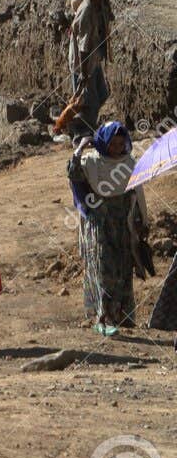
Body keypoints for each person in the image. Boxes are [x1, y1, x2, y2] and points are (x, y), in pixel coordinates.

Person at [69, 122, 147, 336]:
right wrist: (80, 148)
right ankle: (103, 319)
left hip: (123, 227)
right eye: (112, 144)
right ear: (103, 142)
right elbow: (73, 174)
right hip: (100, 227)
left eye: (121, 144)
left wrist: (142, 222)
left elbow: (137, 194)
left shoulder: (129, 163)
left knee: (123, 270)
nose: (116, 148)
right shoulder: (91, 162)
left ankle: (121, 316)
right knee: (103, 270)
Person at [67, 0, 113, 138]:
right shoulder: (86, 11)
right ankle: (80, 133)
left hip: (94, 59)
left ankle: (84, 125)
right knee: (87, 100)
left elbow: (109, 19)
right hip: (84, 62)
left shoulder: (99, 3)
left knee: (102, 94)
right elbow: (83, 46)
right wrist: (84, 73)